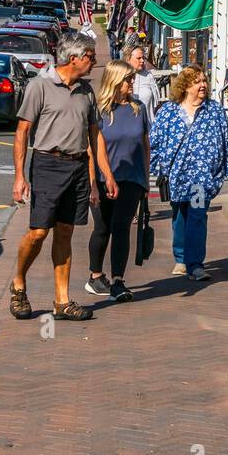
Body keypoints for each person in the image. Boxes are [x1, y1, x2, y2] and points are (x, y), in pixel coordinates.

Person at [10, 31, 118, 321]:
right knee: (39, 232)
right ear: (74, 58)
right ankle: (19, 282)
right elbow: (22, 133)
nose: (94, 62)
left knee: (66, 232)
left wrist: (106, 175)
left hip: (78, 166)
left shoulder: (87, 91)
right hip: (47, 163)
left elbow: (95, 135)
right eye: (91, 57)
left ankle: (62, 301)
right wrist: (20, 177)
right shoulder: (39, 87)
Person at [149, 65, 228, 280]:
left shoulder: (214, 111)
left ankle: (195, 264)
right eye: (197, 82)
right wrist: (151, 168)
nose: (203, 85)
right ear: (186, 86)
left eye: (204, 81)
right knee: (179, 217)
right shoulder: (168, 111)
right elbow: (155, 142)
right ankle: (180, 258)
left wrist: (225, 169)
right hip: (177, 176)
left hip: (201, 179)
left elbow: (226, 140)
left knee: (197, 217)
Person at [86, 60, 150, 302]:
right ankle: (95, 276)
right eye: (128, 80)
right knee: (102, 228)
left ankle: (118, 281)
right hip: (102, 179)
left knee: (122, 227)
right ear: (115, 81)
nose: (132, 83)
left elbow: (145, 145)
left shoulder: (139, 108)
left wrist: (145, 179)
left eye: (132, 79)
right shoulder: (100, 111)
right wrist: (93, 183)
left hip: (132, 179)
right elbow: (91, 150)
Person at [127, 43, 161, 126]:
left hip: (148, 125)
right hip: (128, 127)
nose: (142, 61)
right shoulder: (120, 77)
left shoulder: (148, 76)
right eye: (138, 58)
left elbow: (156, 104)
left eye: (143, 58)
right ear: (128, 59)